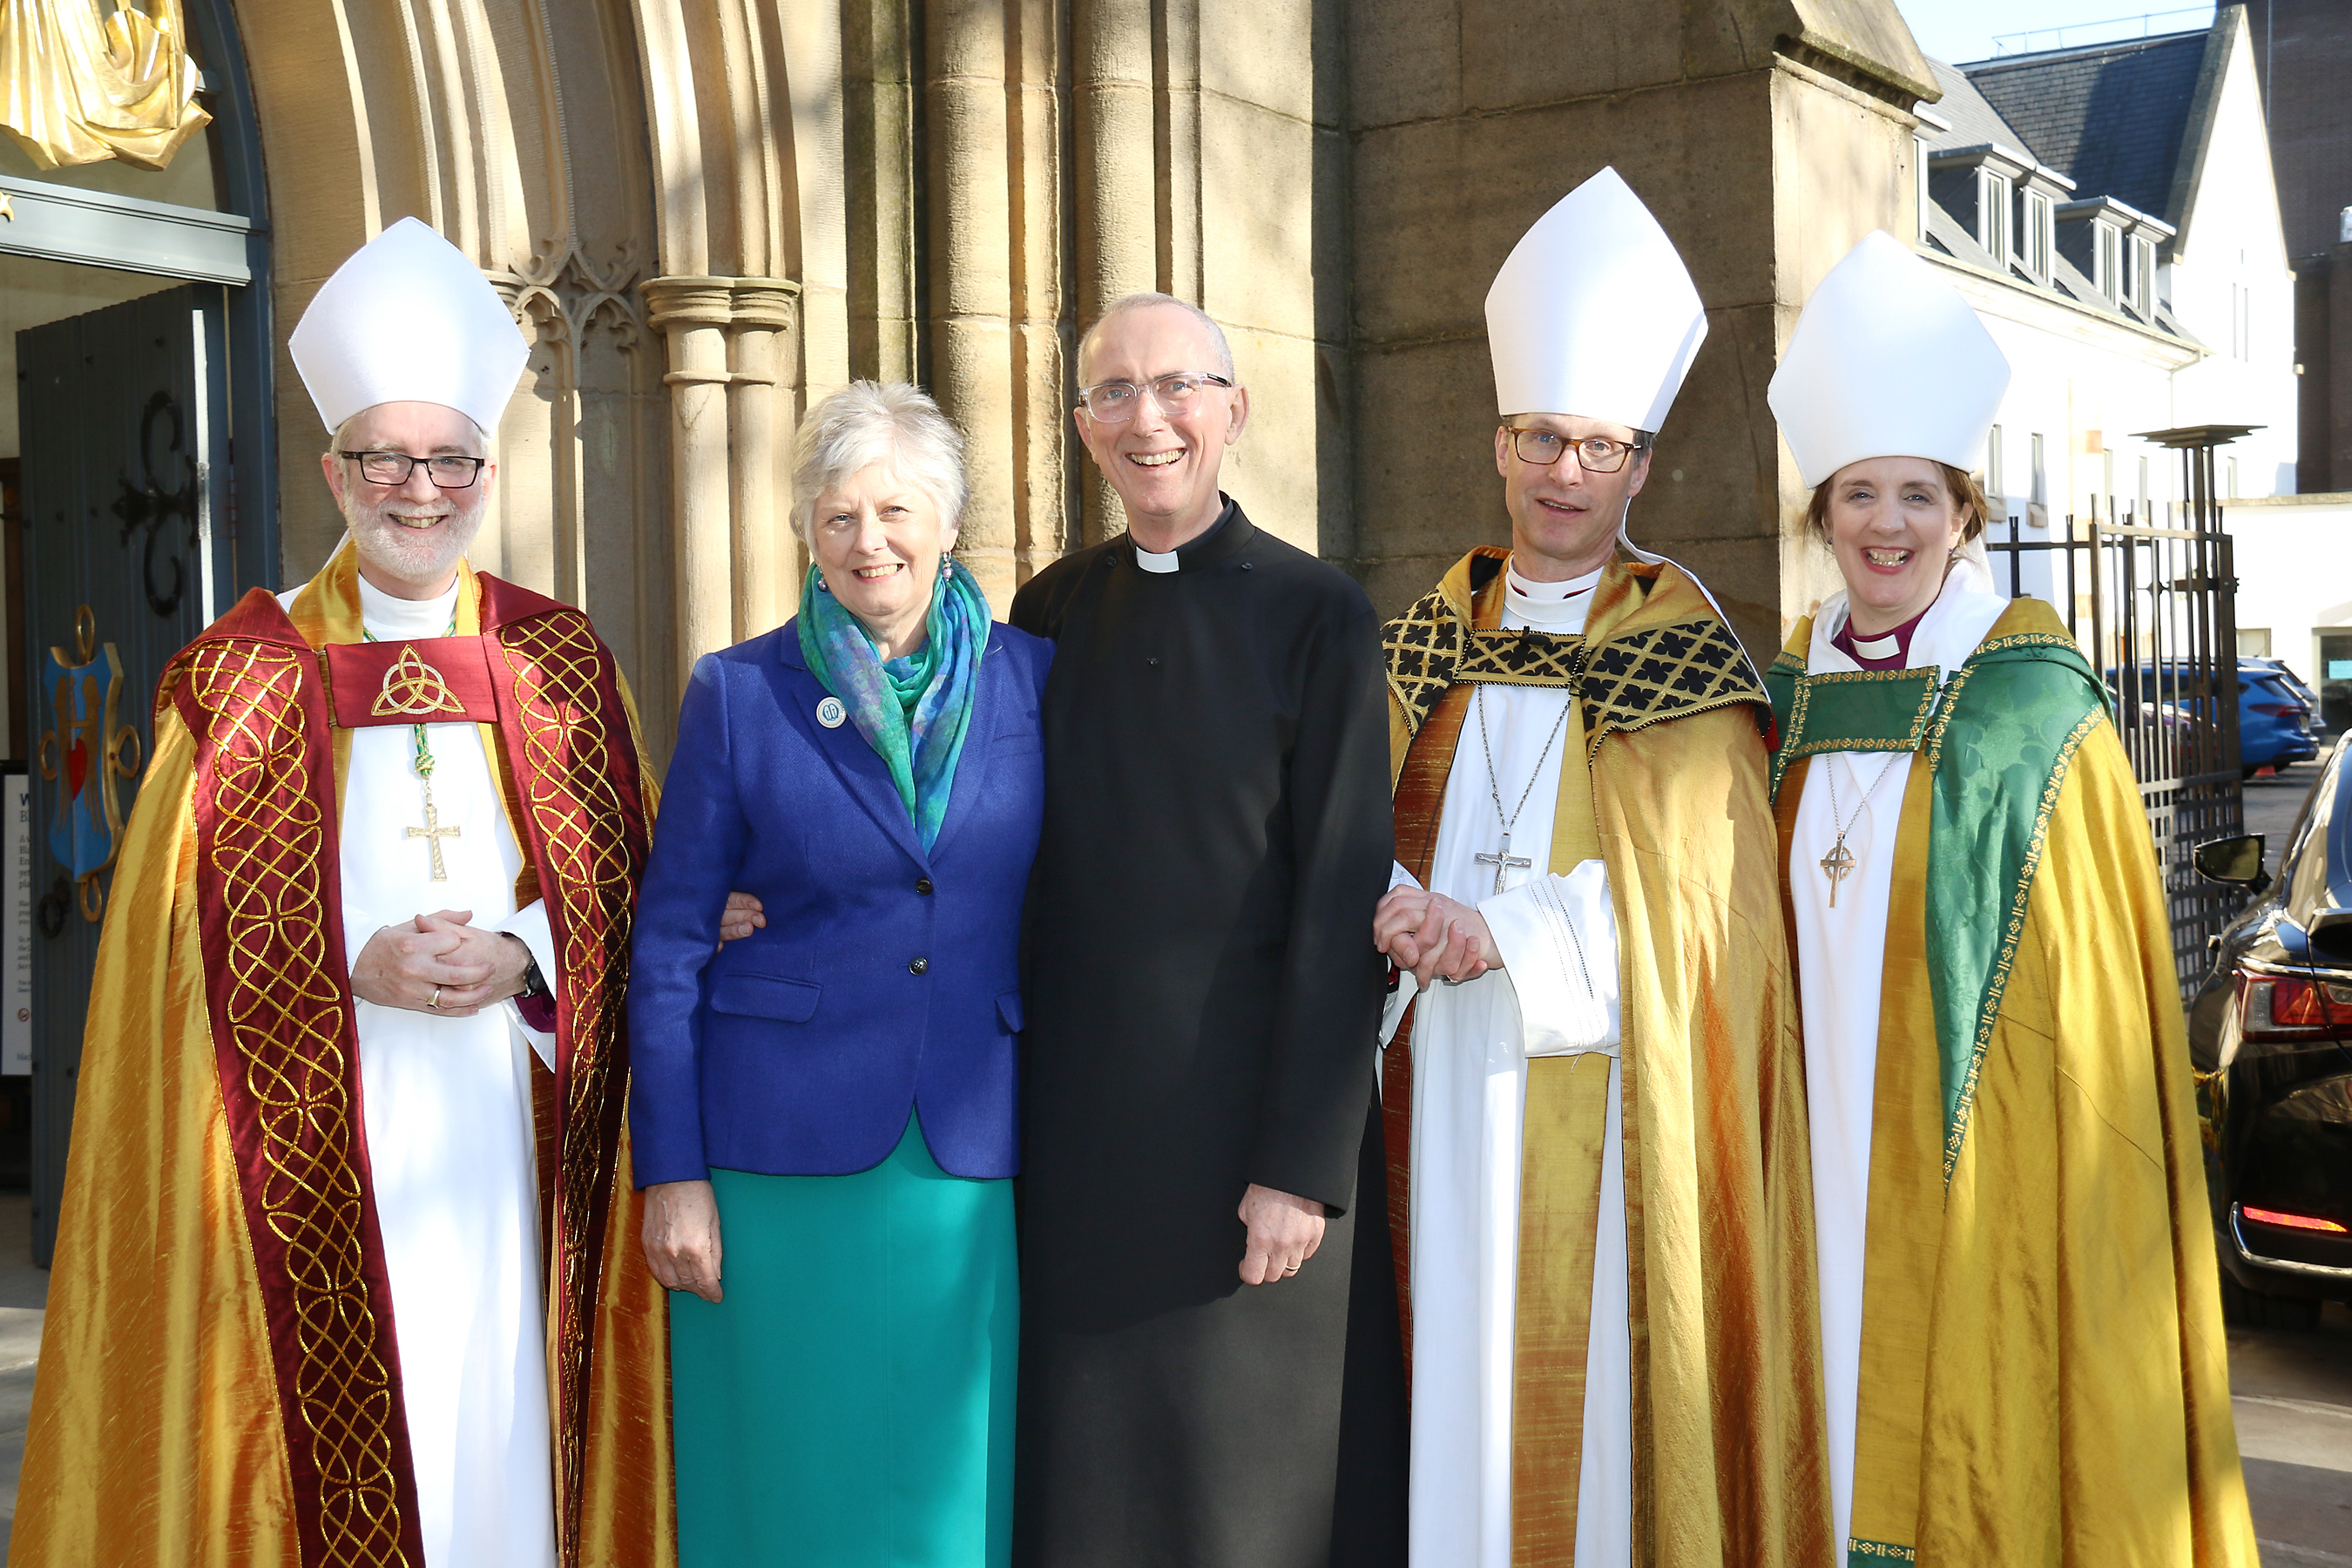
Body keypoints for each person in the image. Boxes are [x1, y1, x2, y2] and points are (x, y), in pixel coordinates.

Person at [11, 218, 671, 1565]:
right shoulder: (235, 681)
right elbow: (167, 961)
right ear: (335, 470)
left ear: (486, 473)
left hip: (513, 1145)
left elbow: (631, 898)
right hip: (323, 1144)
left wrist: (524, 953)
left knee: (506, 1434)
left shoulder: (559, 661)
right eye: (385, 458)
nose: (417, 490)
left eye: (447, 460)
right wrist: (347, 963)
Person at [1763, 230, 2259, 1565]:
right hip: (1807, 1133)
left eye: (1916, 494)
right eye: (1857, 493)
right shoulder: (1782, 701)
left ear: (1966, 512)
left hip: (1972, 1154)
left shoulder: (2035, 709)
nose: (1886, 525)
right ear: (1822, 516)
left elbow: (2088, 1013)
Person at [1372, 167, 1832, 1566]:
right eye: (1538, 438)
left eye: (1598, 446)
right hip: (1429, 1077)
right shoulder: (1425, 632)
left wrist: (1500, 935)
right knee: (1436, 1379)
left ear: (1641, 465)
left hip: (1598, 1083)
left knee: (1583, 1429)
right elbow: (1333, 823)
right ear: (1498, 445)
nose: (1564, 472)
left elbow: (1704, 908)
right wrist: (1385, 913)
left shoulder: (1680, 646)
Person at [1007, 293, 1407, 1567]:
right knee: (1093, 1502)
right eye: (1114, 392)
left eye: (1178, 385)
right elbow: (985, 846)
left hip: (1254, 1155)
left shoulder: (1319, 612)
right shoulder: (1050, 612)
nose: (1148, 417)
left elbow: (1344, 893)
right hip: (1083, 1154)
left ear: (1234, 409)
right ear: (1081, 427)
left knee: (1246, 1506)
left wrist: (1299, 1166)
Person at [627, 382, 1049, 1567]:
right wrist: (673, 1176)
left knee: (948, 1480)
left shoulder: (1038, 685)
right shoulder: (739, 693)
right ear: (808, 535)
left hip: (971, 1150)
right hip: (774, 1159)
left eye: (897, 510)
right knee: (790, 1476)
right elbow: (666, 950)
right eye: (841, 517)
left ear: (950, 524)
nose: (872, 542)